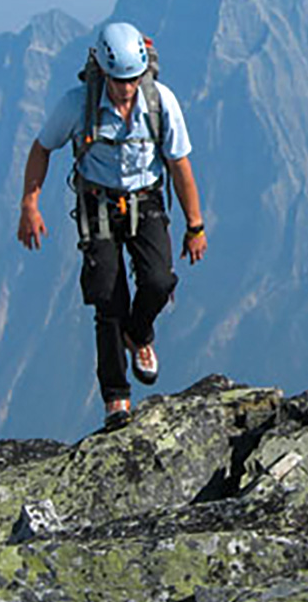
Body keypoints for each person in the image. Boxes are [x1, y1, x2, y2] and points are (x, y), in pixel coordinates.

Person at [17, 22, 207, 429]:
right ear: (103, 72)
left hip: (147, 200)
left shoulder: (161, 103)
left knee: (158, 282)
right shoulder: (76, 105)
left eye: (133, 79)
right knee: (107, 299)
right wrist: (29, 203)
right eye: (119, 80)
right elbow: (42, 148)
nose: (126, 88)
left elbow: (180, 164)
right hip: (98, 203)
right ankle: (116, 400)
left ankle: (139, 335)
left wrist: (196, 225)